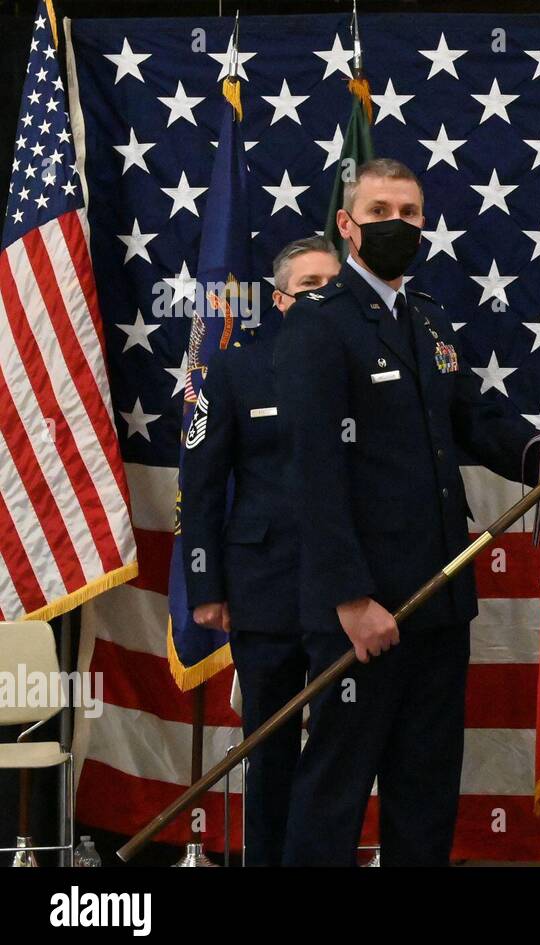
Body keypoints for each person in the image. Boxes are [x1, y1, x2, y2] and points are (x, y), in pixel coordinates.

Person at [275, 158, 540, 866]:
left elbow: (471, 419)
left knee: (425, 792)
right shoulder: (319, 325)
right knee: (335, 788)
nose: (397, 224)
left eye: (410, 213)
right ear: (346, 225)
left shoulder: (426, 320)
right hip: (362, 612)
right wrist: (352, 599)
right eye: (380, 211)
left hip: (437, 601)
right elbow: (315, 475)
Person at [181, 237, 340, 866]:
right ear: (278, 299)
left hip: (346, 590)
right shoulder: (234, 370)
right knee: (269, 747)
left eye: (333, 283)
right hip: (263, 588)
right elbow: (199, 487)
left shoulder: (363, 366)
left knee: (339, 749)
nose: (323, 297)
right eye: (308, 286)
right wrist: (205, 587)